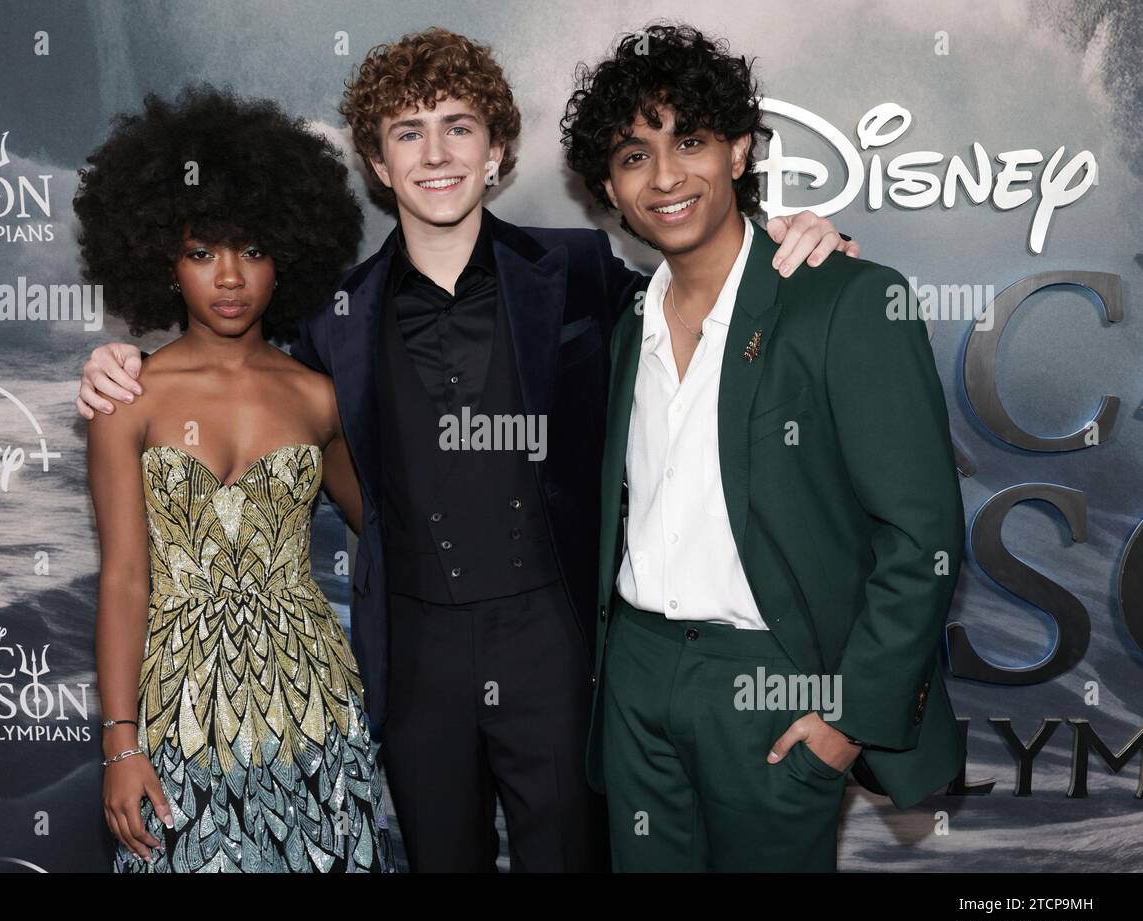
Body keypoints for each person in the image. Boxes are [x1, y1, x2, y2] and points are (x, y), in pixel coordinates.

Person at [75, 28, 856, 872]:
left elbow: (709, 300)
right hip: (415, 662)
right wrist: (121, 361)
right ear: (378, 164)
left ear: (498, 150)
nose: (437, 153)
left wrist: (796, 247)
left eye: (458, 126)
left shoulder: (579, 269)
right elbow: (238, 381)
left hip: (556, 649)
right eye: (408, 133)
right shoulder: (333, 320)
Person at [559, 23, 966, 871]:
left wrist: (848, 718)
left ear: (739, 151)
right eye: (634, 155)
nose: (665, 176)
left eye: (691, 142)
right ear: (609, 187)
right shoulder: (626, 325)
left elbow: (921, 534)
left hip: (771, 685)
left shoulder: (846, 299)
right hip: (637, 675)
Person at [80, 84, 393, 872]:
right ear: (163, 260)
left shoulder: (318, 397)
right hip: (177, 711)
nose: (229, 277)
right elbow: (124, 579)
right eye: (202, 253)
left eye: (252, 250)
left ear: (287, 256)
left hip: (313, 705)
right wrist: (121, 744)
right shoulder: (128, 397)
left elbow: (393, 533)